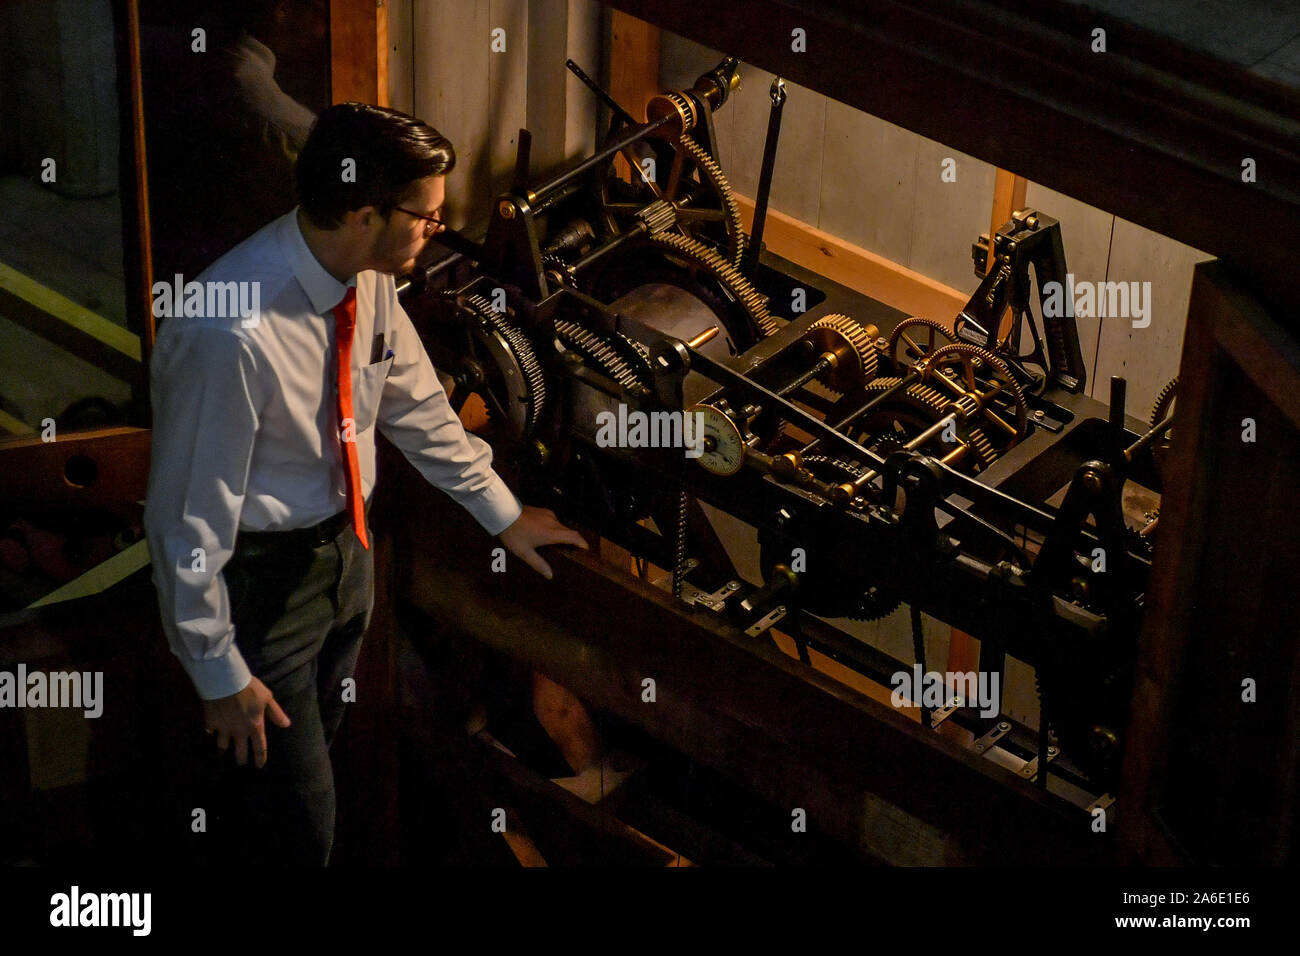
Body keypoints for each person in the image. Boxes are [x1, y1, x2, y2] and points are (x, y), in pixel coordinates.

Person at [143, 102, 587, 865]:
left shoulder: (367, 274)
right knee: (299, 825)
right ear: (362, 211)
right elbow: (186, 522)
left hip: (347, 560)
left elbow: (415, 405)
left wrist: (502, 513)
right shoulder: (229, 333)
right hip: (261, 588)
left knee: (296, 795)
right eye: (427, 215)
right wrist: (216, 670)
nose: (438, 230)